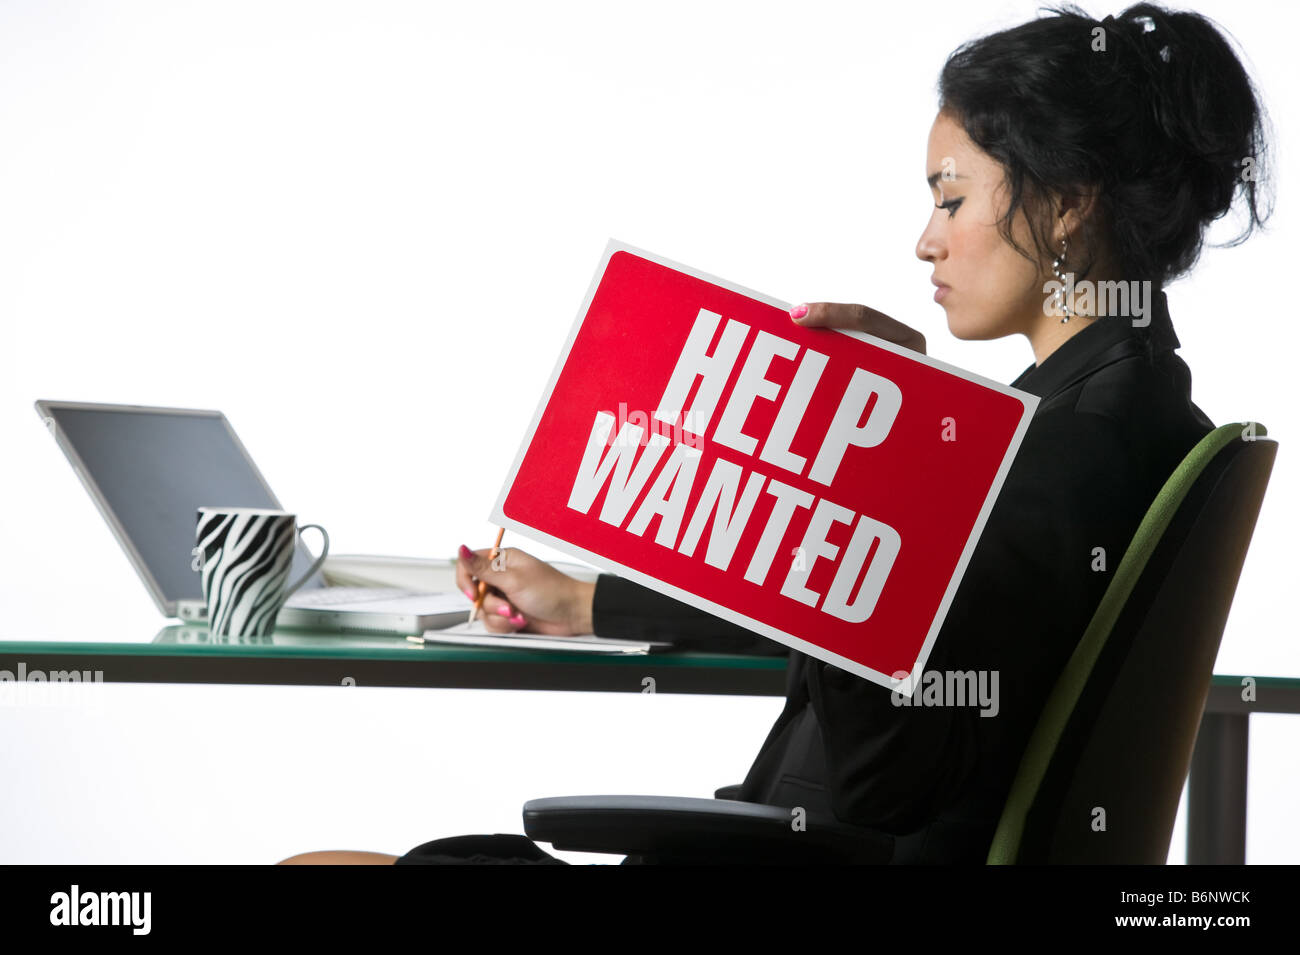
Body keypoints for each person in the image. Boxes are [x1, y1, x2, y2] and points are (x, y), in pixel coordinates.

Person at [278, 2, 1272, 865]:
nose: (924, 239)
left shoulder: (1053, 456)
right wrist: (592, 601)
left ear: (1065, 207)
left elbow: (893, 776)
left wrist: (878, 469)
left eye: (952, 195)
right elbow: (919, 629)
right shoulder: (1133, 422)